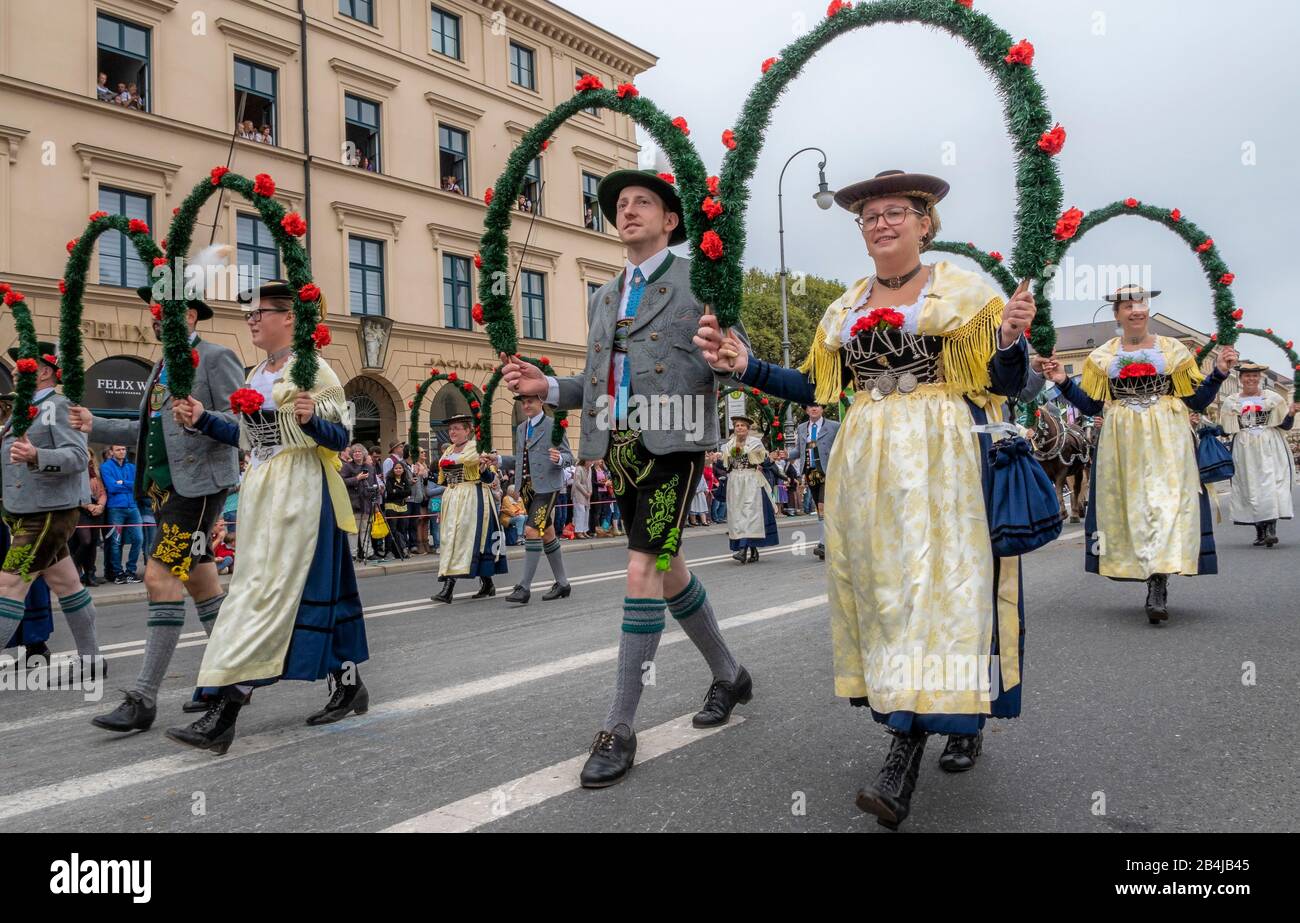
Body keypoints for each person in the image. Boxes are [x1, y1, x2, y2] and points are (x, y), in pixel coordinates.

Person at [696, 169, 1036, 829]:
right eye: (870, 216)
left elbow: (1009, 383)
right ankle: (943, 714)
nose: (881, 224)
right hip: (867, 460)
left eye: (895, 213)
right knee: (890, 594)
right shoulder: (846, 307)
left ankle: (903, 755)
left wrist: (1008, 339)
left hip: (943, 456)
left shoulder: (966, 294)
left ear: (925, 221)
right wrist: (746, 367)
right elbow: (817, 385)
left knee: (940, 592)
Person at [502, 168, 752, 789]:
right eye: (620, 204)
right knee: (668, 569)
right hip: (620, 445)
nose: (628, 210)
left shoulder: (699, 279)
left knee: (642, 568)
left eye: (643, 202)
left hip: (677, 443)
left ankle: (618, 727)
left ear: (671, 220)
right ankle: (729, 673)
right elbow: (598, 383)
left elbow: (732, 361)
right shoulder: (602, 295)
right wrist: (547, 387)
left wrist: (725, 359)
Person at [166, 280, 370, 753]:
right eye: (250, 314)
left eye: (262, 312)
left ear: (291, 318)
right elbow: (246, 436)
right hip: (263, 490)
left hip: (302, 492)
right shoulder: (257, 372)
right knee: (300, 592)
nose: (252, 319)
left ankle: (224, 712)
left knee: (266, 597)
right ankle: (349, 683)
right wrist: (201, 418)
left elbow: (339, 437)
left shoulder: (315, 371)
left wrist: (310, 421)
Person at [71, 249, 246, 734]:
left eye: (163, 308)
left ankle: (144, 697)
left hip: (199, 493)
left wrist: (204, 417)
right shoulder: (161, 365)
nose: (154, 317)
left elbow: (243, 424)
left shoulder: (215, 357)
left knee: (158, 577)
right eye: (151, 310)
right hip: (165, 493)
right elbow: (147, 432)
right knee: (202, 585)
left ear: (187, 313)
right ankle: (230, 678)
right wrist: (96, 423)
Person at [1043, 284, 1236, 623]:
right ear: (1116, 314)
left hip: (1167, 436)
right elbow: (1090, 404)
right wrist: (1062, 381)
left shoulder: (1173, 350)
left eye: (1141, 303)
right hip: (1123, 438)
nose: (1136, 310)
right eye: (1128, 305)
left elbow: (1195, 400)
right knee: (1135, 505)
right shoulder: (1103, 356)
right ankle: (1146, 570)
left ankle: (1158, 581)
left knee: (1166, 503)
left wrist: (1218, 373)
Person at [0, 343, 102, 679]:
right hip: (27, 511)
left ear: (44, 370)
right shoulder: (22, 409)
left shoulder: (59, 407)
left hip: (47, 513)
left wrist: (36, 456)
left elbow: (76, 457)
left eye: (21, 364)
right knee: (67, 584)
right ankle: (91, 661)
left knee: (8, 585)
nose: (14, 369)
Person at [505, 394, 574, 605]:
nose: (526, 405)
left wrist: (560, 458)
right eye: (523, 402)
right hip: (527, 489)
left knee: (531, 530)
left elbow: (570, 456)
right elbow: (520, 459)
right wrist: (498, 459)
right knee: (548, 534)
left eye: (530, 401)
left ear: (540, 402)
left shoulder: (554, 426)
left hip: (547, 488)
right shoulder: (520, 428)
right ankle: (562, 584)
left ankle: (524, 587)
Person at [1218, 362, 1297, 547]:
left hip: (1270, 444)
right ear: (1241, 379)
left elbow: (1285, 426)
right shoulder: (1231, 401)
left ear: (1259, 378)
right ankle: (1260, 530)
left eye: (1254, 375)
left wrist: (1291, 413)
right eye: (1247, 376)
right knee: (1249, 485)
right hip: (1244, 447)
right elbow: (1226, 430)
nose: (1251, 379)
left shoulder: (1273, 398)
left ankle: (1270, 529)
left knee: (1271, 484)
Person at [431, 414, 507, 603]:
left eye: (456, 428)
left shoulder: (477, 448)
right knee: (451, 539)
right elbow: (443, 479)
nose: (452, 432)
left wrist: (484, 470)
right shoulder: (448, 450)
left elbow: (490, 479)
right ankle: (485, 583)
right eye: (450, 429)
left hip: (473, 496)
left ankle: (450, 588)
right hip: (452, 496)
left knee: (469, 539)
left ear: (468, 430)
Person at [720, 415, 779, 562]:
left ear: (748, 429)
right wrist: (719, 459)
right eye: (737, 425)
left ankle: (742, 549)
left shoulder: (756, 443)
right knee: (737, 515)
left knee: (749, 514)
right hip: (735, 481)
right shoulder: (728, 444)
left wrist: (770, 458)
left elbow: (763, 461)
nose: (739, 428)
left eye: (742, 425)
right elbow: (725, 465)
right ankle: (752, 549)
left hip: (751, 480)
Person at [794, 404, 839, 559]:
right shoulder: (801, 428)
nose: (814, 409)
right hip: (810, 473)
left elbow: (842, 446)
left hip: (828, 472)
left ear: (822, 410)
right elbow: (798, 450)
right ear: (806, 410)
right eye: (811, 407)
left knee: (822, 506)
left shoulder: (834, 426)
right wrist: (784, 454)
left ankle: (823, 543)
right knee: (820, 509)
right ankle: (827, 541)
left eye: (817, 406)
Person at [99, 444, 142, 583]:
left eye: (123, 449)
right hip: (116, 508)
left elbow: (137, 486)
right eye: (118, 449)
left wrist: (122, 482)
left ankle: (131, 571)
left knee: (138, 539)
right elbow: (111, 487)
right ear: (111, 452)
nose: (122, 452)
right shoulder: (105, 467)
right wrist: (127, 484)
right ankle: (118, 573)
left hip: (133, 506)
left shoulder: (132, 467)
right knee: (115, 542)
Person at [69, 455, 108, 587]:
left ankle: (90, 574)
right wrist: (88, 506)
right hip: (80, 509)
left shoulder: (95, 473)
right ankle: (73, 567)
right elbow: (72, 492)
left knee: (93, 543)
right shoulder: (75, 473)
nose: (87, 458)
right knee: (85, 541)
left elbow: (103, 492)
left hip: (96, 509)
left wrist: (100, 506)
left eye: (89, 455)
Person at [383, 461, 411, 560]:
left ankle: (401, 551)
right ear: (393, 470)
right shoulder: (389, 479)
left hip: (403, 507)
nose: (398, 470)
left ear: (403, 470)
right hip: (391, 507)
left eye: (400, 468)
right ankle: (389, 551)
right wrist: (402, 492)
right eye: (396, 468)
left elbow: (409, 491)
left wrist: (397, 491)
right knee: (392, 529)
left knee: (402, 529)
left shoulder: (405, 480)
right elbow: (390, 493)